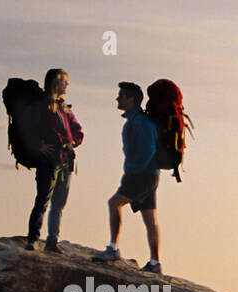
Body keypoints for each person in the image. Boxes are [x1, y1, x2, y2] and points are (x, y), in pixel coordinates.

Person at [92, 82, 162, 273]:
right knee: (150, 219)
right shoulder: (138, 120)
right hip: (150, 174)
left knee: (114, 203)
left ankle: (113, 248)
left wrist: (134, 170)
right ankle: (155, 263)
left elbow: (148, 149)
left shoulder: (139, 121)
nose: (117, 98)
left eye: (121, 95)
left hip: (140, 175)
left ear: (131, 99)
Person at [23, 68, 83, 253]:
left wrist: (73, 141)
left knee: (58, 204)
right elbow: (25, 128)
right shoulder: (41, 107)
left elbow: (78, 130)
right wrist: (38, 145)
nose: (67, 85)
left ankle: (51, 241)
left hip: (65, 159)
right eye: (65, 81)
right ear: (56, 82)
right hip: (48, 160)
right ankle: (33, 240)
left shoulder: (64, 107)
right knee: (43, 200)